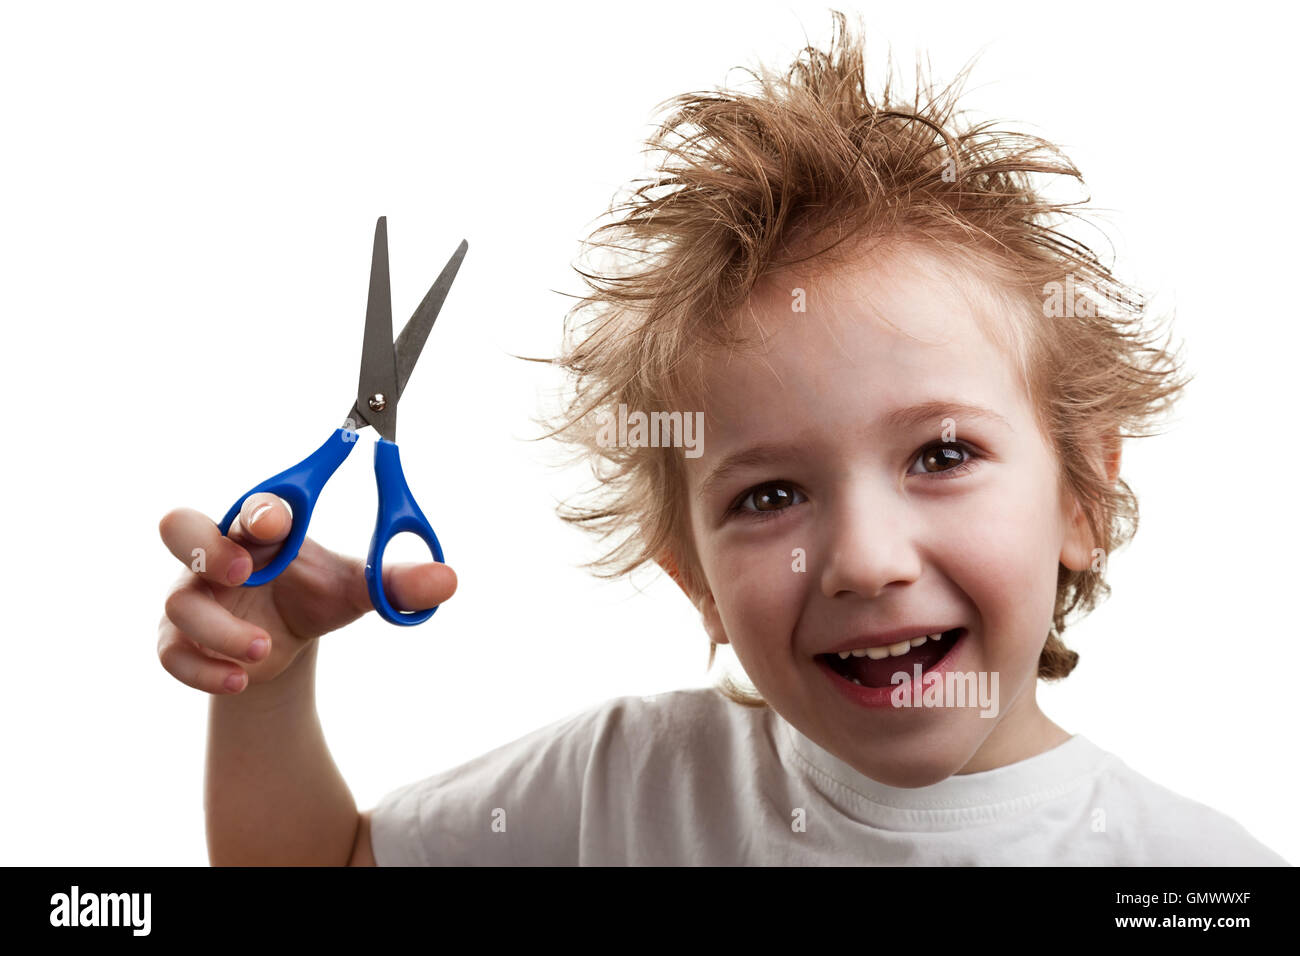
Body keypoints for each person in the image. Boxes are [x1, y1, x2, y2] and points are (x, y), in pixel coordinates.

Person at [156, 11, 1288, 865]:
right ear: (693, 579)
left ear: (1082, 498)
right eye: (767, 495)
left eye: (940, 455)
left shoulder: (1194, 873)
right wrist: (270, 679)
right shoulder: (622, 786)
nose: (861, 559)